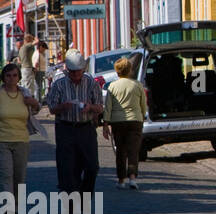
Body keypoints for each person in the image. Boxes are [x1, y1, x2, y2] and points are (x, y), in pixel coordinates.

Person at [44, 50, 104, 195]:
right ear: (67, 71)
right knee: (68, 167)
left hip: (86, 128)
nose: (76, 76)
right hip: (66, 128)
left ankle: (85, 194)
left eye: (79, 72)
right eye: (72, 73)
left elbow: (100, 107)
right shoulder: (59, 85)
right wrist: (63, 107)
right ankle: (71, 199)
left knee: (92, 166)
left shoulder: (91, 83)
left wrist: (90, 107)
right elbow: (52, 109)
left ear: (83, 70)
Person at [104, 56, 146, 190]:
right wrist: (142, 116)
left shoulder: (112, 86)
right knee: (133, 150)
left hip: (117, 122)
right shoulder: (137, 85)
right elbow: (143, 104)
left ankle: (121, 180)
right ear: (130, 70)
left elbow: (108, 107)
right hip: (135, 120)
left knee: (120, 151)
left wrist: (106, 124)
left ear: (117, 71)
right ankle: (132, 178)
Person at [0, 62, 40, 198]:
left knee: (19, 176)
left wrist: (34, 104)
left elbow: (35, 110)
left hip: (21, 140)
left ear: (19, 77)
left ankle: (17, 205)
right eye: (8, 75)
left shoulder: (24, 93)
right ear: (3, 77)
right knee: (6, 175)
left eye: (14, 75)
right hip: (2, 141)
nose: (11, 78)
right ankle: (8, 207)